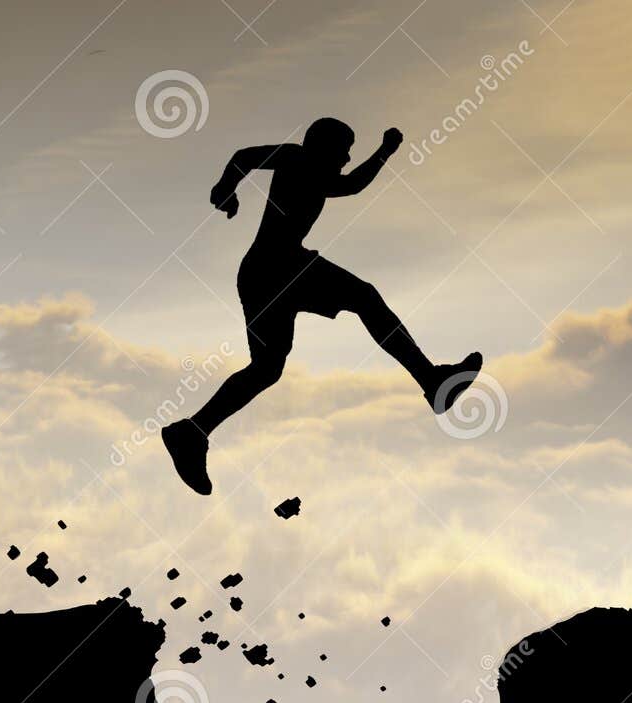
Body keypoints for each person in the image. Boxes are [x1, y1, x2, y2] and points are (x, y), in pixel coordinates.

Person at [161, 117, 482, 495]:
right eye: (343, 150)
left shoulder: (306, 167)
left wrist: (227, 187)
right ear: (322, 146)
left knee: (267, 369)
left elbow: (335, 181)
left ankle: (193, 431)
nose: (346, 158)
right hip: (279, 268)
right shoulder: (299, 160)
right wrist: (226, 187)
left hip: (264, 274)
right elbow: (255, 160)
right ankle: (431, 381)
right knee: (364, 298)